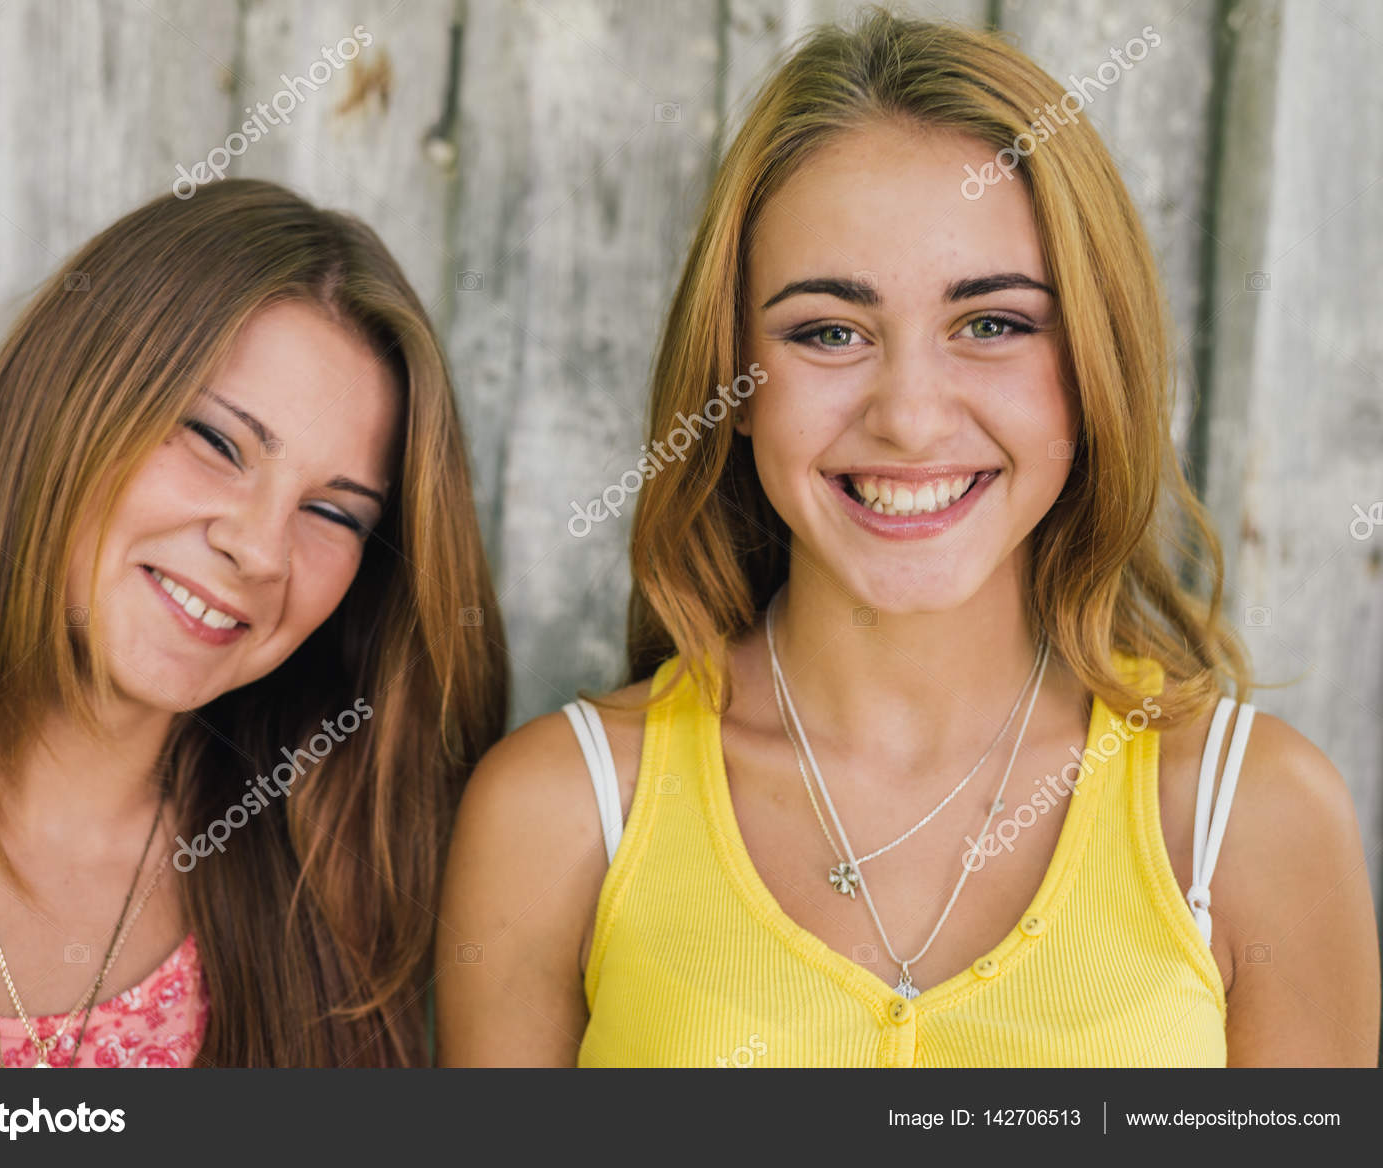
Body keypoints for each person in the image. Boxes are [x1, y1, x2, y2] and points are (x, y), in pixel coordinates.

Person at [435, 9, 1379, 1066]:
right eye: (828, 331)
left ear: (1091, 368)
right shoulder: (557, 814)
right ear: (732, 382)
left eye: (992, 323)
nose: (912, 416)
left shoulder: (1249, 815)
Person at [0, 179, 508, 1068]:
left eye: (335, 513)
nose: (262, 550)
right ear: (66, 404)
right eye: (217, 441)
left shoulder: (326, 913)